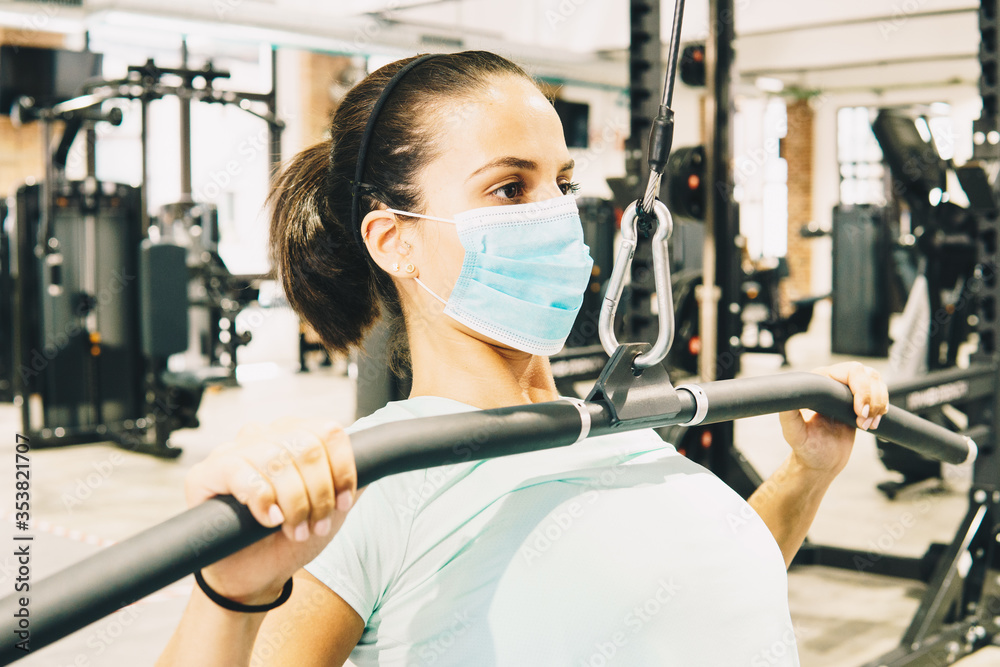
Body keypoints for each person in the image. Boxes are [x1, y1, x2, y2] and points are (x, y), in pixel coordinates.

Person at [157, 51, 888, 667]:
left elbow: (703, 585)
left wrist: (807, 473)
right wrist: (231, 595)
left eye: (561, 183)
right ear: (394, 239)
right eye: (511, 188)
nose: (555, 215)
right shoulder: (376, 482)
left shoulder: (609, 424)